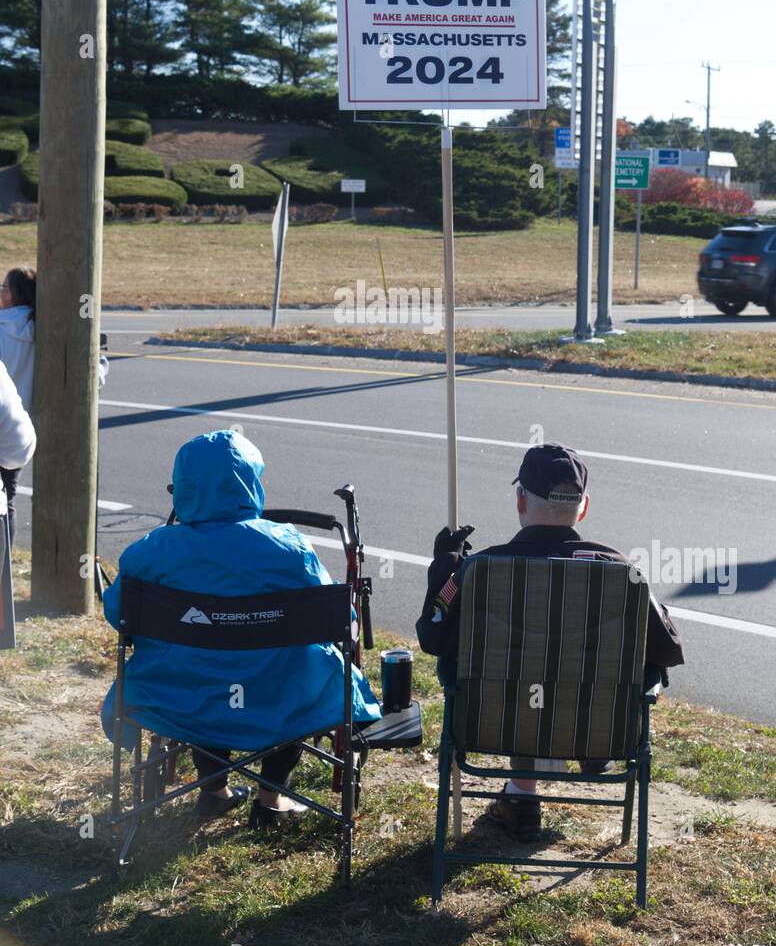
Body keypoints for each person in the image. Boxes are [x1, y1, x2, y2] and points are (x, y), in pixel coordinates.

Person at [101, 429, 381, 820]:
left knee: (204, 669)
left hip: (179, 696)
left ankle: (214, 790)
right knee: (294, 670)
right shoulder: (289, 547)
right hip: (277, 697)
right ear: (249, 484)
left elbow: (118, 616)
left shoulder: (151, 551)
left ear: (183, 486)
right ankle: (271, 798)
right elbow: (337, 620)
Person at [416, 443, 684, 841]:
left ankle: (521, 797)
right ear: (584, 506)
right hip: (596, 727)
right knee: (575, 673)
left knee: (523, 677)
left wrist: (444, 567)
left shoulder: (481, 570)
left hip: (495, 724)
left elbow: (433, 635)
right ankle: (591, 754)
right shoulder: (623, 574)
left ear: (521, 500)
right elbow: (668, 650)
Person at [0, 267, 35, 544]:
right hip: (20, 426)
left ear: (15, 295)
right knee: (7, 499)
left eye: (5, 287)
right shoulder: (40, 330)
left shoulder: (2, 329)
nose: (0, 291)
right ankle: (5, 571)